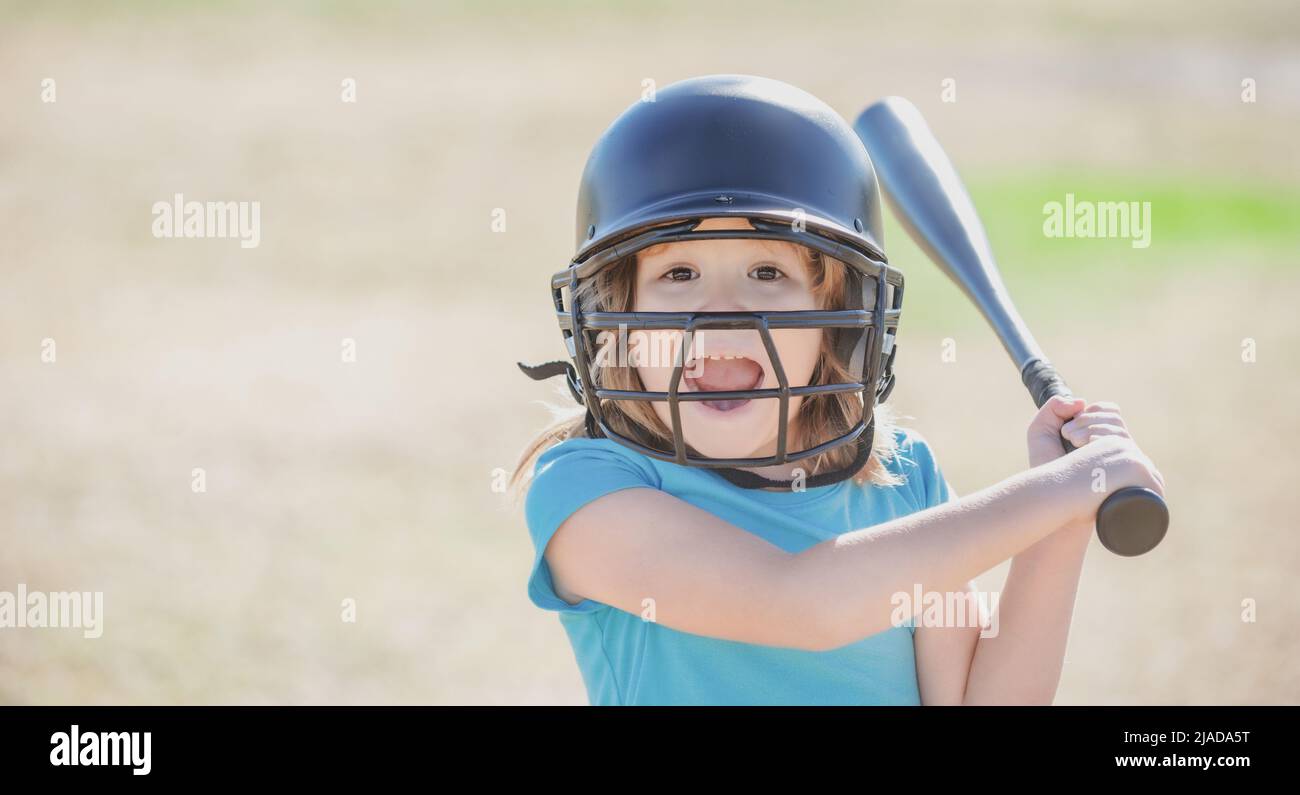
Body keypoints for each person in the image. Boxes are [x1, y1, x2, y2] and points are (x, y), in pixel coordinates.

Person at [513, 74, 1164, 705]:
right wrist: (1055, 492)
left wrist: (1065, 514)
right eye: (678, 273)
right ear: (614, 316)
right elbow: (799, 601)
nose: (721, 311)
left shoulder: (901, 483)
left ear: (839, 321)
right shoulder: (588, 487)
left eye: (768, 270)